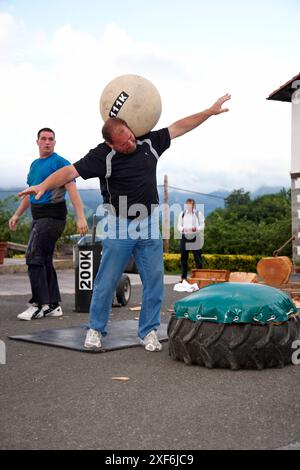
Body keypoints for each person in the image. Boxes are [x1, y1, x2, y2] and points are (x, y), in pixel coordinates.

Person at [19, 94, 231, 351]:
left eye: (130, 137)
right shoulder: (101, 156)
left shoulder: (149, 141)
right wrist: (43, 184)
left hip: (150, 222)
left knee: (154, 281)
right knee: (106, 281)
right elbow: (69, 172)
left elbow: (180, 126)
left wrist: (208, 112)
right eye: (123, 143)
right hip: (119, 224)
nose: (130, 143)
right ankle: (96, 330)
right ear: (110, 144)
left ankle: (149, 331)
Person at [9, 128, 88, 320]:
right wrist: (17, 214)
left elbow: (73, 191)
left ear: (55, 142)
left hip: (52, 217)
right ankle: (52, 304)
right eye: (43, 139)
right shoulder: (35, 165)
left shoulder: (60, 163)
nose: (47, 142)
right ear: (37, 142)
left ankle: (38, 304)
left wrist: (81, 217)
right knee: (43, 259)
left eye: (50, 139)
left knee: (33, 256)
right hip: (38, 217)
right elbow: (31, 194)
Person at [177, 198, 205, 281]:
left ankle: (199, 277)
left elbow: (203, 225)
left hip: (195, 236)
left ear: (193, 205)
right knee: (183, 258)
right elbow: (178, 225)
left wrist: (196, 228)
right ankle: (183, 277)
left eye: (190, 204)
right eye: (187, 204)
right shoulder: (182, 214)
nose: (189, 206)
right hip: (184, 237)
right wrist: (182, 229)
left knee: (197, 258)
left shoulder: (198, 213)